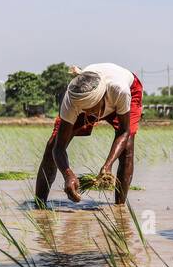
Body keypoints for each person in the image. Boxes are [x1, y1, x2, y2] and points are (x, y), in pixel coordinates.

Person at [34, 63, 142, 206]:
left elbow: (124, 131)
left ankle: (119, 208)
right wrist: (68, 175)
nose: (89, 114)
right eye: (84, 110)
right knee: (51, 147)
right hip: (89, 99)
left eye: (91, 110)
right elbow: (58, 148)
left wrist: (107, 166)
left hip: (130, 89)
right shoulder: (71, 100)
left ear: (102, 98)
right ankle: (39, 205)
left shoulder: (120, 90)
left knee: (127, 148)